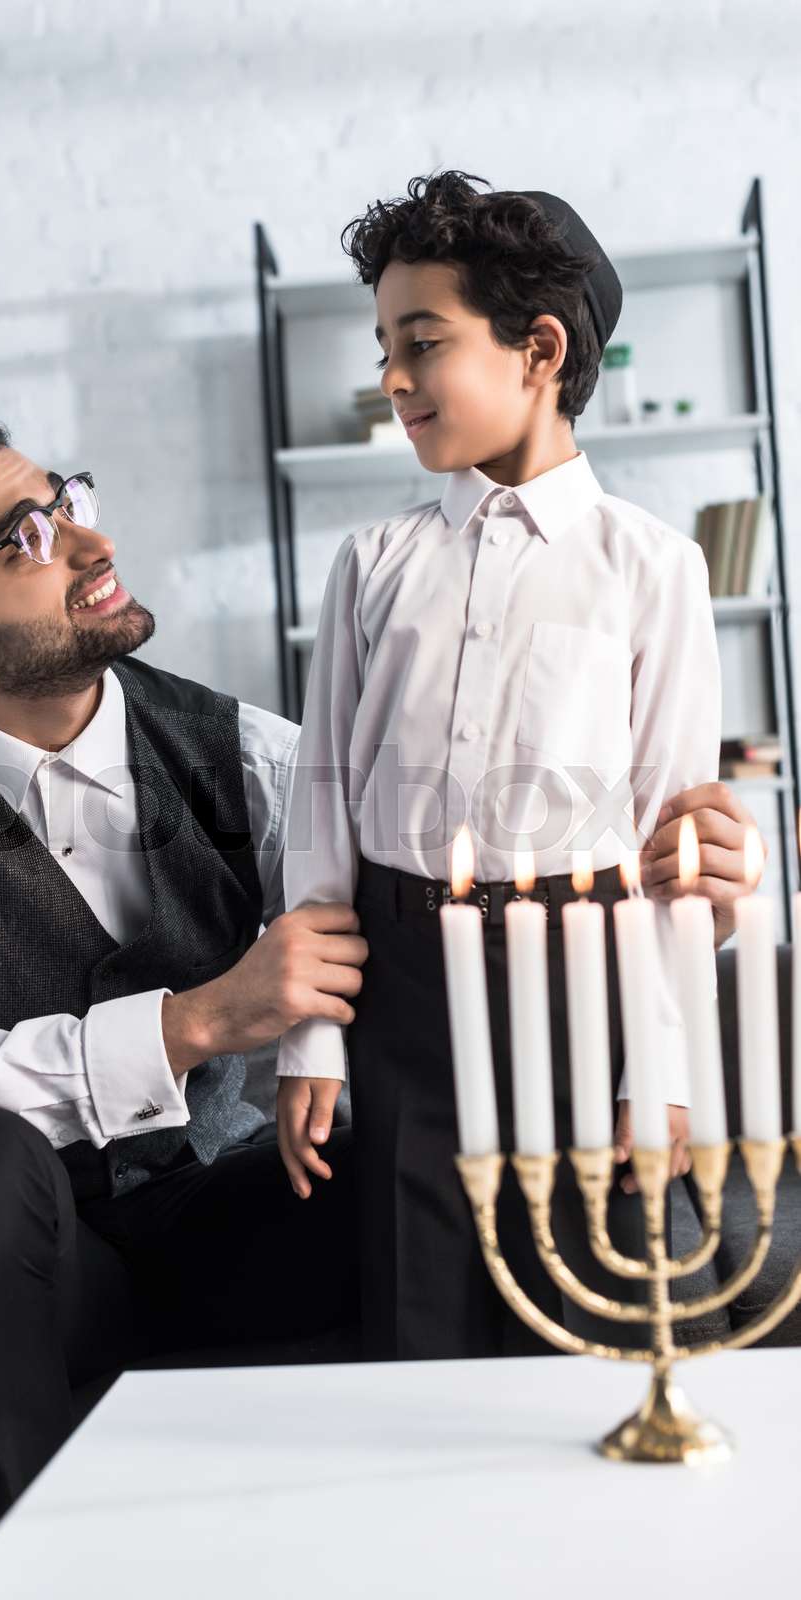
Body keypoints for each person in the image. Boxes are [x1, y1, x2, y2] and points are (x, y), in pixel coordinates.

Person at [0, 408, 764, 1558]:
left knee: (479, 1160)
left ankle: (558, 1551)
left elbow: (457, 901)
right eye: (26, 539)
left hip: (232, 1214)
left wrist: (675, 896)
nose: (93, 545)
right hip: (17, 1253)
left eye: (70, 500)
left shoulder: (248, 748)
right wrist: (202, 1018)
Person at [274, 169, 738, 1362]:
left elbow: (672, 847)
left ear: (539, 349)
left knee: (592, 1327)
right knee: (416, 1320)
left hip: (586, 980)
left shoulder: (653, 568)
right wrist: (311, 1036)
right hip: (402, 990)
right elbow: (320, 810)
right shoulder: (371, 564)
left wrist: (659, 1065)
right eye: (385, 348)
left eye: (421, 343)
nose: (393, 378)